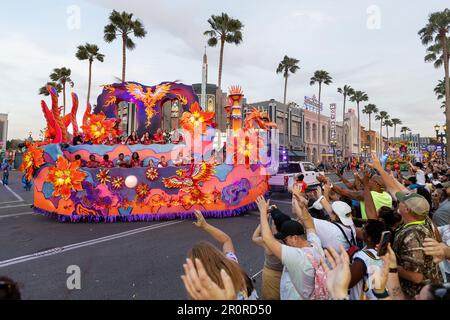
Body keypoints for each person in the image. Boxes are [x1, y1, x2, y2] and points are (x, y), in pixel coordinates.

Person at [256, 196, 328, 300]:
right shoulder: (315, 244)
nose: (285, 243)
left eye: (285, 240)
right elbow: (309, 225)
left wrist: (263, 213)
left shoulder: (298, 257)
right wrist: (303, 207)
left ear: (294, 238)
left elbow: (268, 239)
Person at [189, 210, 257, 300]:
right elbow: (226, 240)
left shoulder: (207, 293)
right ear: (216, 254)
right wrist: (205, 226)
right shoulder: (231, 264)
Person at [392, 191, 444, 299]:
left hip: (417, 294)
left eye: (401, 202)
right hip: (429, 289)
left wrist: (390, 265)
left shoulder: (412, 235)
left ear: (407, 209)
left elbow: (416, 277)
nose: (398, 202)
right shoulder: (424, 221)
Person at [252, 207, 288, 300]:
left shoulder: (270, 242)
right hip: (287, 274)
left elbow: (255, 237)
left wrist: (263, 219)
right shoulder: (290, 238)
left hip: (272, 276)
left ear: (275, 227)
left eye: (272, 223)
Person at [348, 220, 386, 300]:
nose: (362, 230)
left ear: (369, 238)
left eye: (364, 229)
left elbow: (348, 282)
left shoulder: (363, 257)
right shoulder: (386, 254)